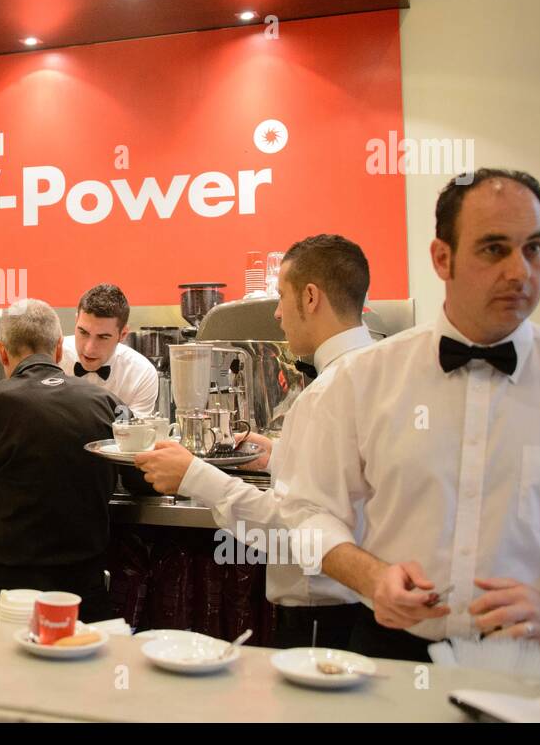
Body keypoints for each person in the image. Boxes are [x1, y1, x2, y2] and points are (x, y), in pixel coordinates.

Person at [279, 170, 540, 660]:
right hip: (389, 653)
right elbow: (308, 511)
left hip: (536, 665)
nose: (520, 271)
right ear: (443, 258)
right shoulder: (363, 380)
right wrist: (371, 577)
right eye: (494, 249)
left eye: (534, 249)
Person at [134, 235, 376, 649]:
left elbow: (290, 529)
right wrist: (278, 456)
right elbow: (350, 478)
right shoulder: (378, 369)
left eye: (282, 297)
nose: (279, 314)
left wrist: (193, 476)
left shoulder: (327, 392)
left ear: (312, 297)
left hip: (323, 616)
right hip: (360, 610)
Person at [0, 298, 135, 621]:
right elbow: (142, 478)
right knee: (81, 670)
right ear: (56, 350)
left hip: (5, 592)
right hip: (84, 590)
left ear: (1, 352)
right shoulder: (108, 402)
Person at [60, 283, 158, 418]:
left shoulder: (141, 374)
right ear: (76, 320)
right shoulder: (52, 356)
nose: (89, 348)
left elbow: (136, 437)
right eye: (83, 332)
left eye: (103, 337)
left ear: (122, 335)